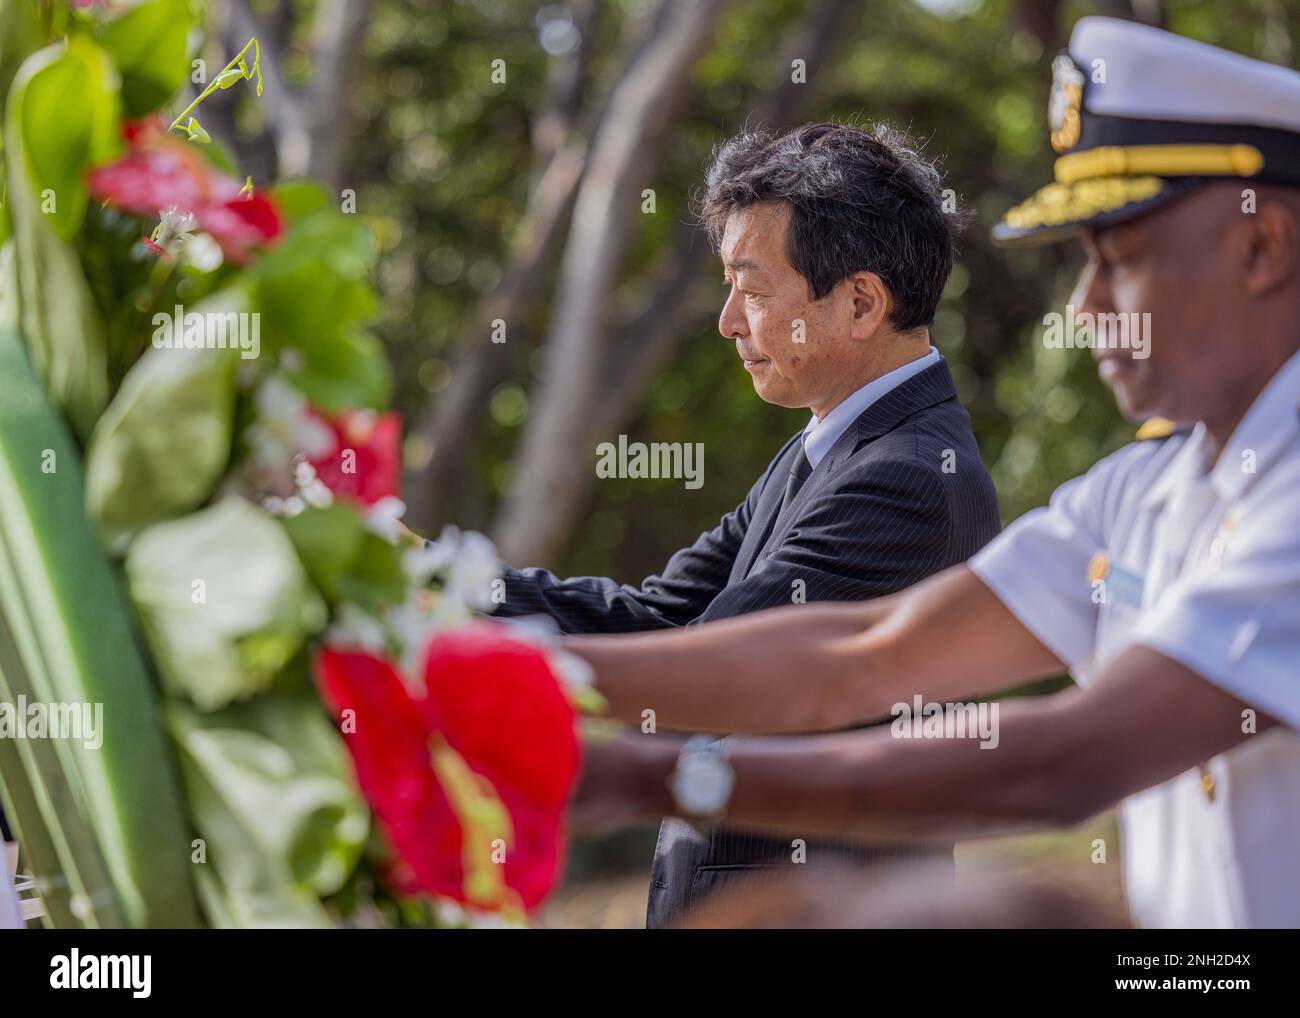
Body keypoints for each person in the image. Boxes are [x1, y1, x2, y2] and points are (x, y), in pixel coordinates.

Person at [565, 16, 1300, 929]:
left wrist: (654, 774)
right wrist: (515, 662)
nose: (1085, 304)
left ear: (1261, 245)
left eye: (1121, 258)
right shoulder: (1144, 490)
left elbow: (1065, 761)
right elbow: (862, 652)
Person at [495, 122, 1000, 927]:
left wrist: (467, 658)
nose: (729, 321)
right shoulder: (832, 447)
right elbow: (660, 618)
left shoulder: (905, 479)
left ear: (862, 301)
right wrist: (427, 585)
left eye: (752, 289)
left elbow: (700, 676)